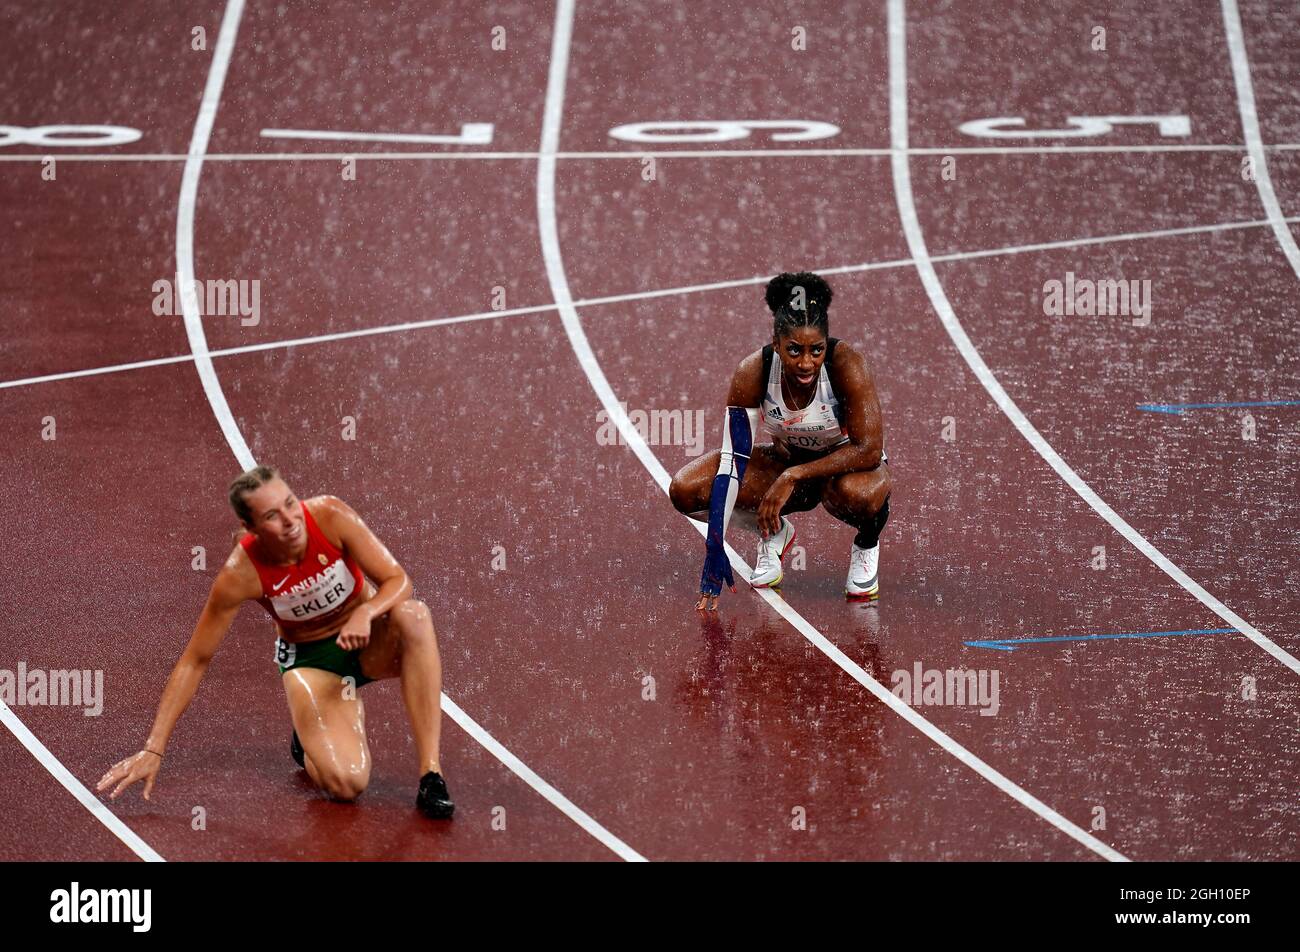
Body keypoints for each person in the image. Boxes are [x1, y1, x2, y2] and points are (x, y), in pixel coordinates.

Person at [97, 465, 454, 818]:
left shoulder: (330, 515)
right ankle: (310, 735)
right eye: (272, 515)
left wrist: (367, 612)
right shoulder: (240, 574)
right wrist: (153, 749)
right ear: (249, 528)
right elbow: (195, 659)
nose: (290, 520)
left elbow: (398, 580)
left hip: (369, 643)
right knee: (347, 786)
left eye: (290, 502)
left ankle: (430, 775)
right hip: (313, 664)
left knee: (415, 616)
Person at [669, 272, 891, 610]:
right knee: (687, 490)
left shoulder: (848, 364)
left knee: (858, 495)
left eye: (816, 350)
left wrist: (795, 475)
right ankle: (773, 532)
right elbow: (733, 461)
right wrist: (715, 550)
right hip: (786, 465)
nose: (806, 363)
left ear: (826, 344)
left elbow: (869, 449)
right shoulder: (753, 372)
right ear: (776, 344)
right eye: (794, 350)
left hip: (843, 470)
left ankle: (866, 544)